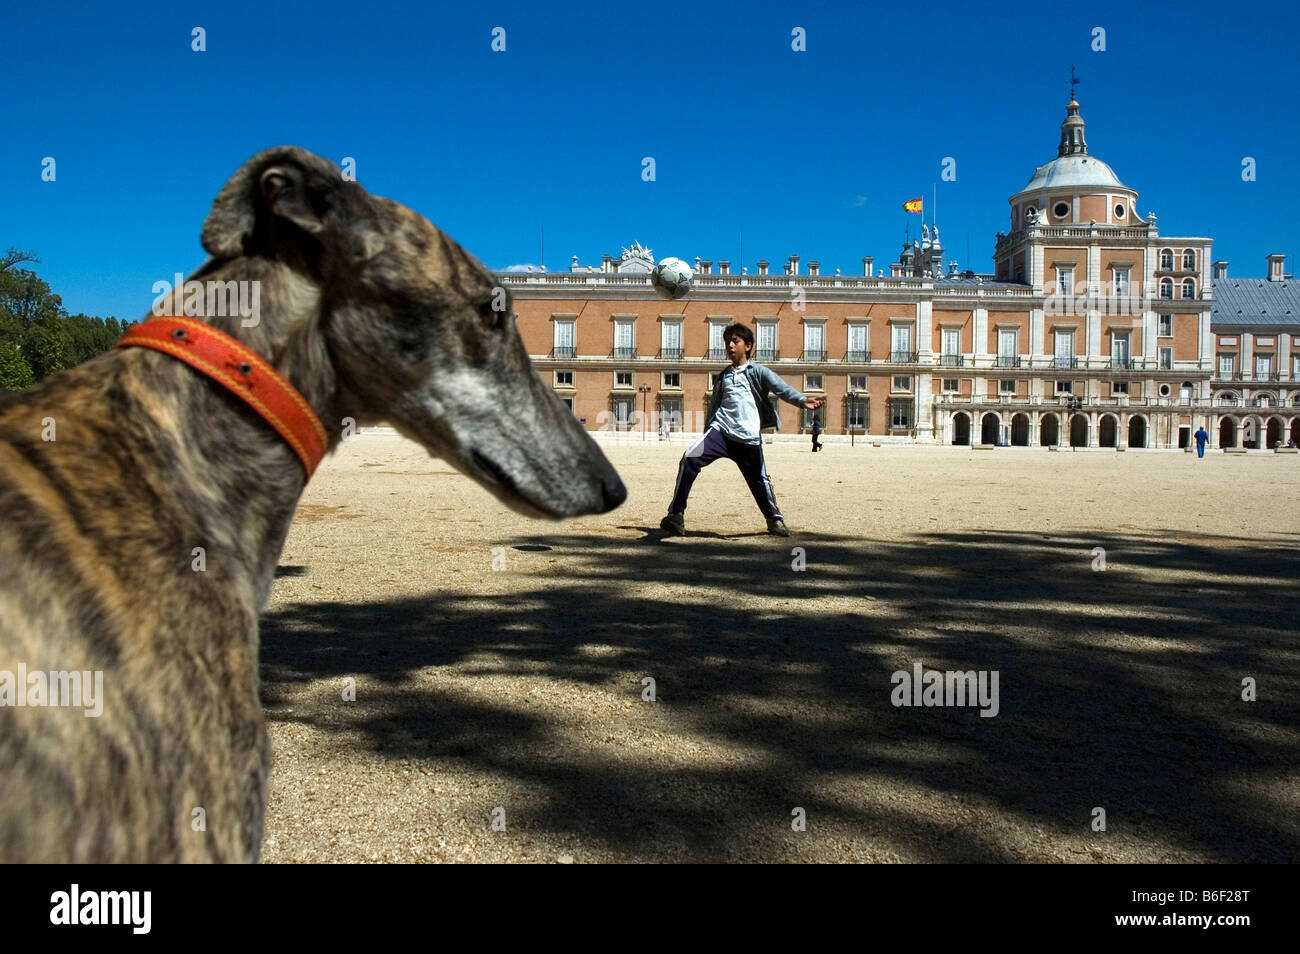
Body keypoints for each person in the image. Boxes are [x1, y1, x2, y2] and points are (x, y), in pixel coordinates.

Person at [660, 323, 823, 537]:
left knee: (759, 481)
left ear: (748, 346)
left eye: (735, 341)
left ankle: (774, 520)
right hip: (720, 431)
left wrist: (801, 400)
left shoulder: (758, 372)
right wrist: (709, 428)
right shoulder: (723, 376)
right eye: (727, 341)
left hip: (748, 438)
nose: (729, 345)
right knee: (690, 458)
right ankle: (676, 515)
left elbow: (780, 388)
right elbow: (714, 406)